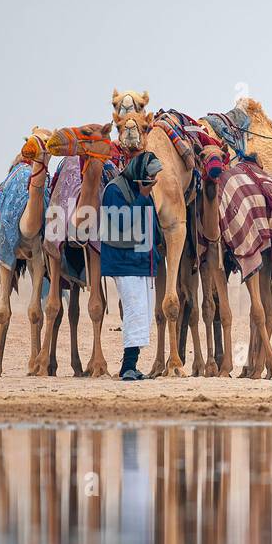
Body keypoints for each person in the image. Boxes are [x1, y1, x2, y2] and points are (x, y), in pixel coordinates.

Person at [100, 152, 163, 381]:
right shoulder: (115, 190)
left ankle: (131, 365)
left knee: (142, 314)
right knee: (135, 311)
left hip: (142, 263)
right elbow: (121, 225)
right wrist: (143, 196)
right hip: (124, 262)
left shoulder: (140, 191)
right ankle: (127, 367)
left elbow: (151, 225)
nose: (153, 180)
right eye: (150, 175)